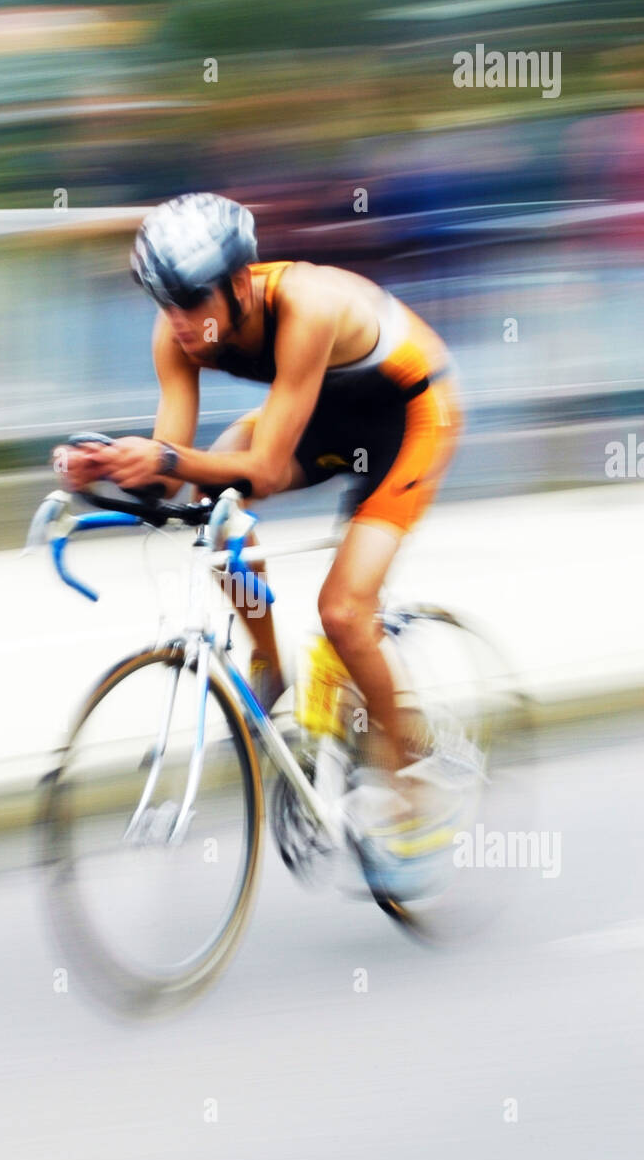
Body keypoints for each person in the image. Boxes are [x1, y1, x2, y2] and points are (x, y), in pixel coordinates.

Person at [54, 192, 463, 826]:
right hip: (322, 419)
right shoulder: (177, 333)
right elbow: (170, 475)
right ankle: (271, 667)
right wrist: (106, 464)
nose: (180, 322)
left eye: (192, 302)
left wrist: (162, 459)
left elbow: (264, 469)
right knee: (212, 511)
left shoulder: (309, 303)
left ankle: (412, 771)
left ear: (239, 284)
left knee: (345, 613)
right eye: (165, 304)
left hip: (410, 418)